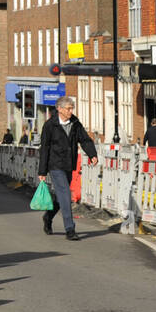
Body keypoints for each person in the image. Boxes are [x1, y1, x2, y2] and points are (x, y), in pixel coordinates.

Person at [38, 96, 98, 241]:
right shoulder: (50, 125)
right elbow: (44, 148)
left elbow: (84, 139)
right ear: (59, 109)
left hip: (69, 164)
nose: (71, 111)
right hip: (55, 165)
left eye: (72, 108)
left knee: (61, 197)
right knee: (65, 194)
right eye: (68, 109)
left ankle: (48, 217)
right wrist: (42, 171)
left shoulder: (75, 123)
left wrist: (92, 154)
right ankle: (70, 229)